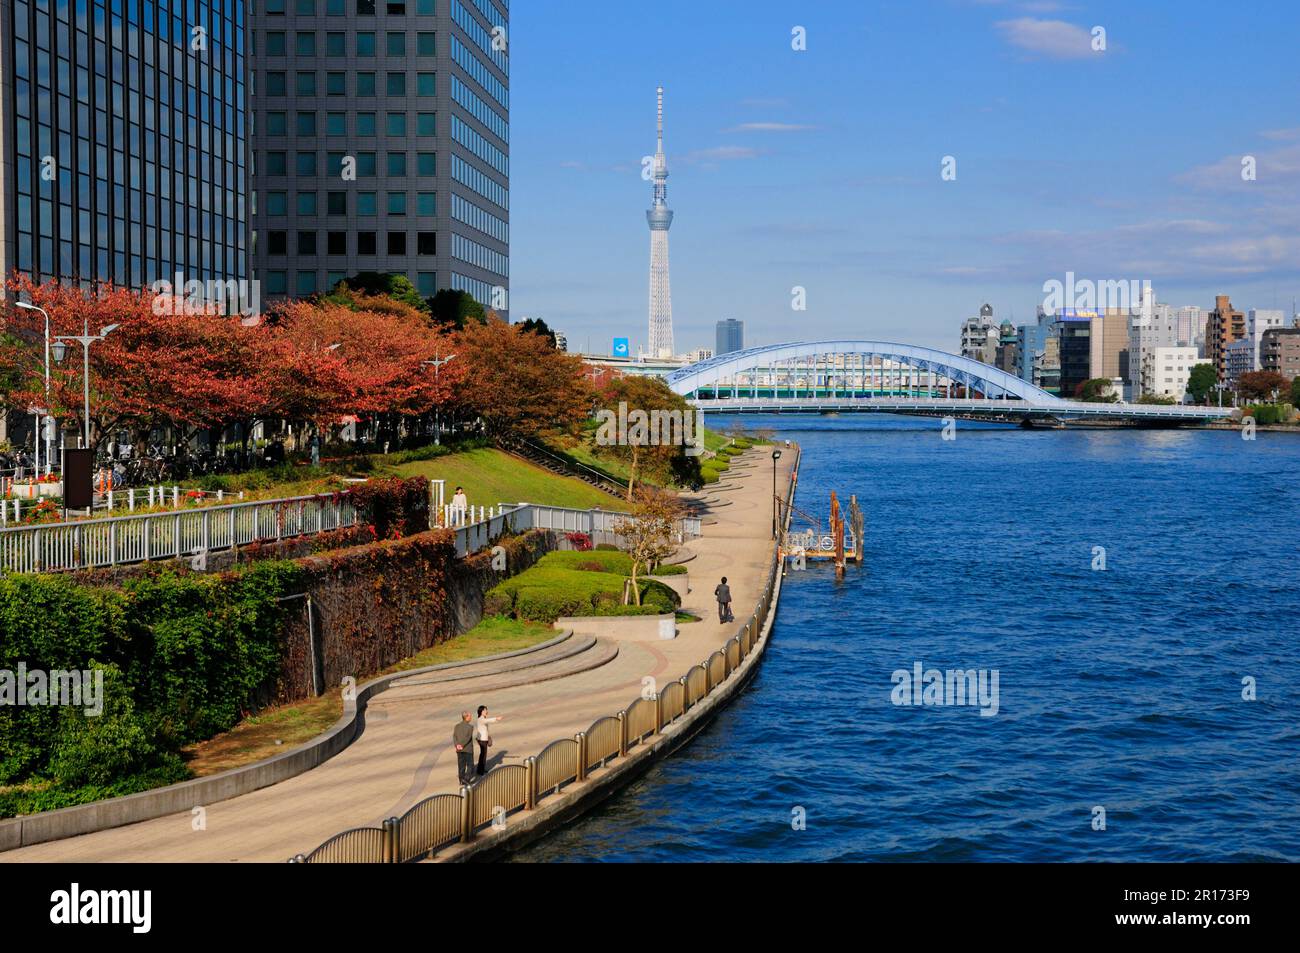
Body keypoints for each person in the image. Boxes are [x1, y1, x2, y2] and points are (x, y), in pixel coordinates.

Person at [475, 705, 503, 776]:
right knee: (483, 755)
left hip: (483, 739)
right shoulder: (481, 719)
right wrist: (496, 718)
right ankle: (480, 771)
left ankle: (480, 769)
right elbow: (487, 721)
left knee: (482, 755)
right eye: (485, 710)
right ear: (481, 712)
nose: (486, 711)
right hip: (482, 740)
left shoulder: (482, 718)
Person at [452, 711, 476, 786]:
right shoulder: (470, 727)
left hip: (459, 750)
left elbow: (454, 736)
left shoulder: (457, 726)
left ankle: (461, 780)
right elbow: (468, 738)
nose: (471, 717)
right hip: (468, 749)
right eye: (470, 716)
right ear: (467, 717)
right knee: (470, 765)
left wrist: (457, 745)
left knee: (461, 765)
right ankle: (466, 779)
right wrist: (462, 745)